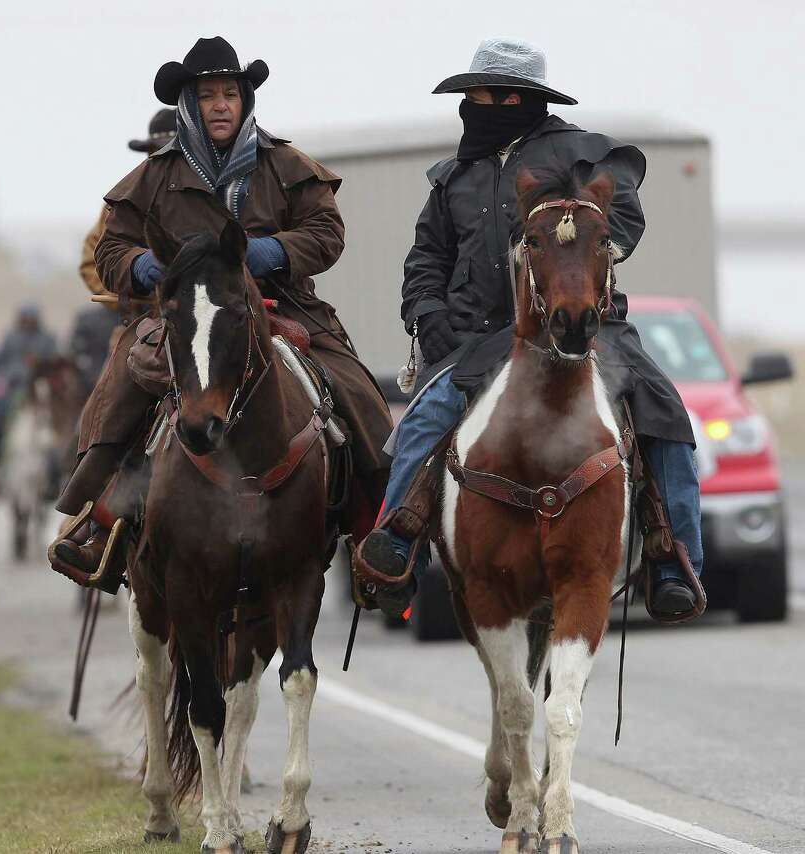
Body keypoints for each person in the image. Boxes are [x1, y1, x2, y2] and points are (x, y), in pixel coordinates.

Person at [353, 39, 704, 622]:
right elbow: (426, 259)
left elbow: (623, 222)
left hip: (585, 328)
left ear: (512, 98)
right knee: (423, 418)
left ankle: (676, 559)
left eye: (479, 95)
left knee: (664, 414)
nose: (470, 106)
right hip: (475, 337)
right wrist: (427, 314)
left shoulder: (586, 154)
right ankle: (397, 548)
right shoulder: (453, 177)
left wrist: (566, 261)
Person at [48, 36, 392, 582]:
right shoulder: (155, 174)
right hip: (180, 318)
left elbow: (326, 231)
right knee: (127, 381)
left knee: (357, 391)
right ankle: (97, 520)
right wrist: (142, 267)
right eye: (208, 95)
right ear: (191, 103)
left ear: (244, 99)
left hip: (286, 308)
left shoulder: (284, 163)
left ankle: (378, 533)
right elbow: (110, 247)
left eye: (230, 93)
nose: (221, 105)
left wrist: (272, 250)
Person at [71, 109, 178, 390]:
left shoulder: (213, 192)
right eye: (156, 150)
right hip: (137, 325)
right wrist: (126, 293)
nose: (163, 157)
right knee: (108, 406)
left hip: (200, 323)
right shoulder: (123, 200)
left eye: (171, 149)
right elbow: (91, 259)